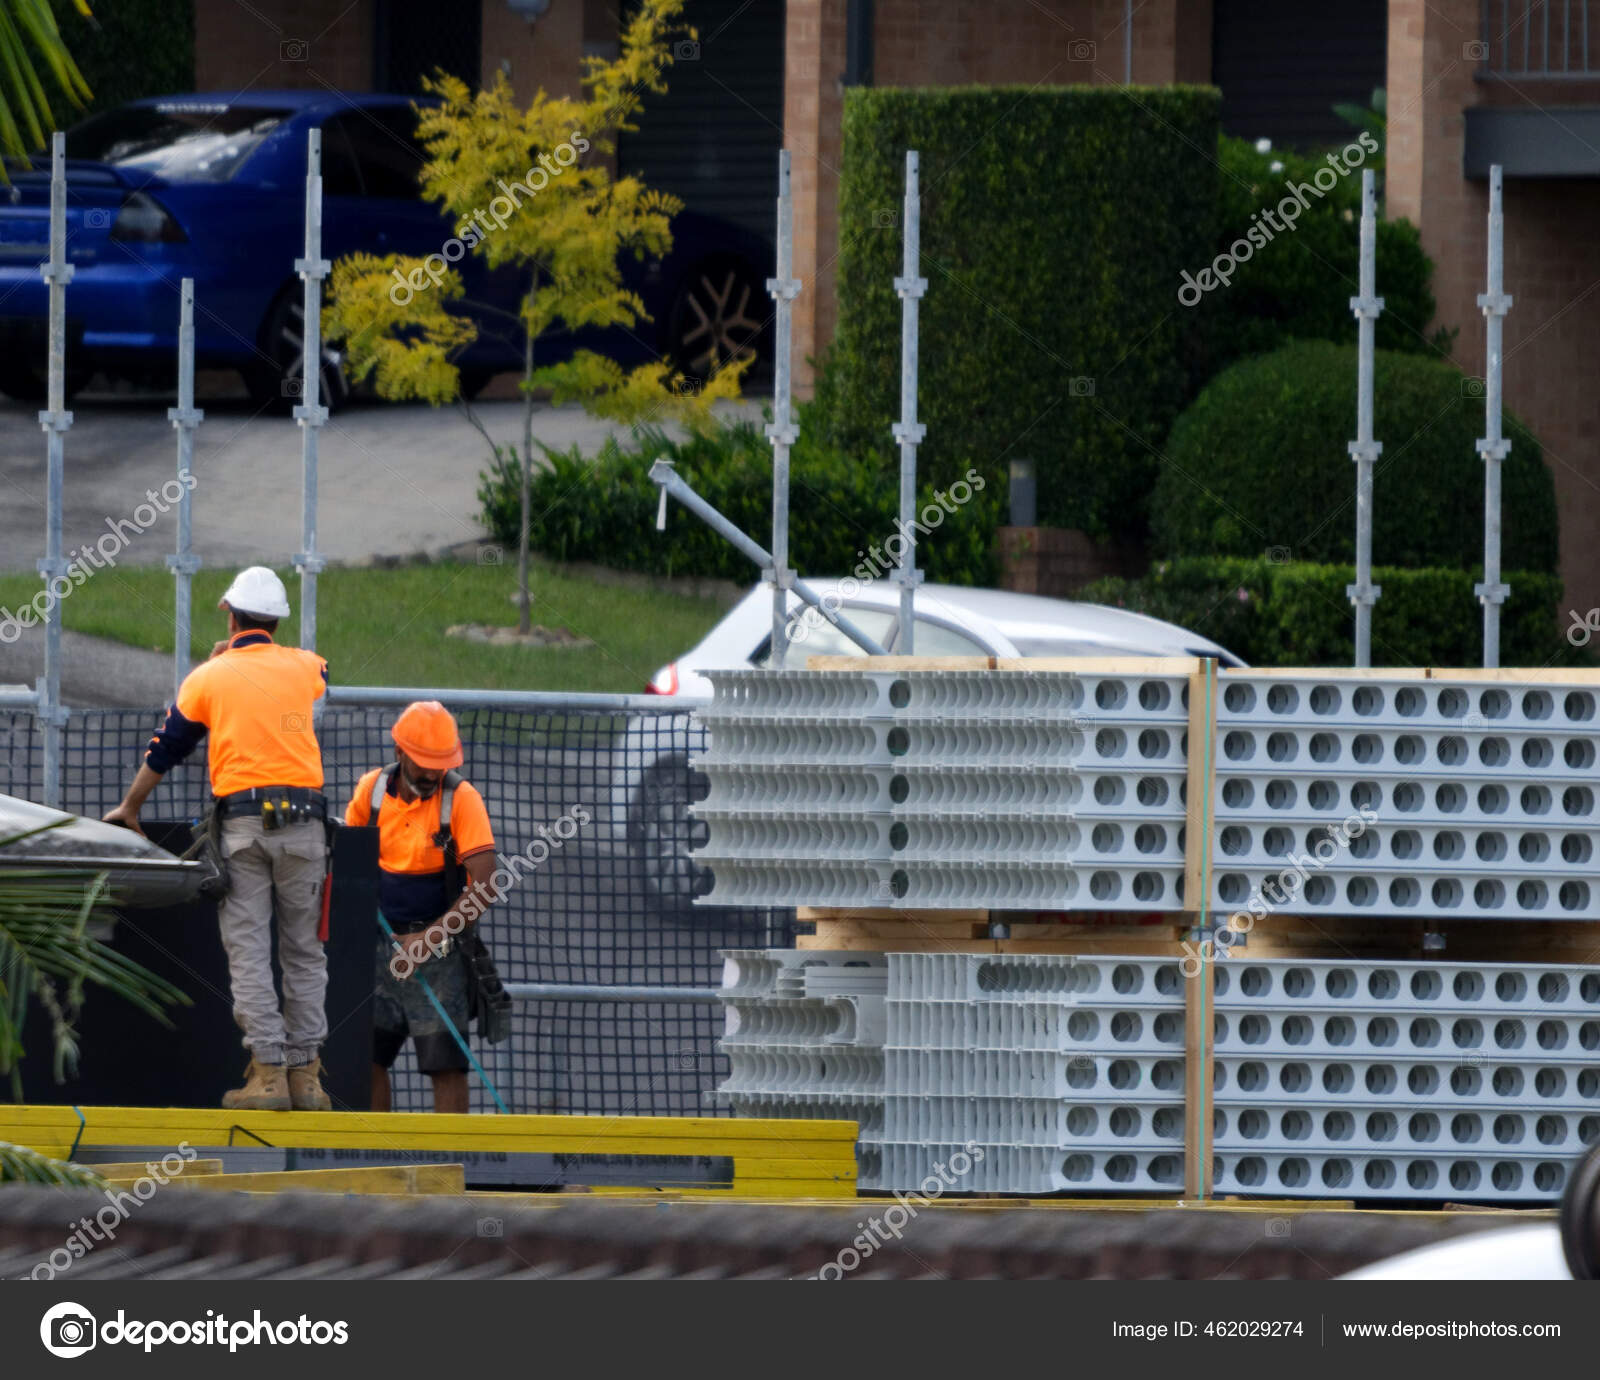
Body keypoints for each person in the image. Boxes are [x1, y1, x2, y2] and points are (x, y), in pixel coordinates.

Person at [104, 566, 333, 1112]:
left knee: (250, 949)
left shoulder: (209, 677)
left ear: (230, 616)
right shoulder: (304, 666)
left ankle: (269, 1076)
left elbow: (168, 746)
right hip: (305, 826)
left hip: (244, 826)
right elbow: (322, 677)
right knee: (304, 953)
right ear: (276, 621)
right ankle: (307, 1078)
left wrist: (131, 806)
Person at [344, 701, 498, 1114]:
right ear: (399, 753)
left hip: (441, 955)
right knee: (366, 1059)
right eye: (423, 763)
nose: (432, 773)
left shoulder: (463, 800)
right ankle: (377, 1162)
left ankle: (452, 1164)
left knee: (445, 1065)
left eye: (440, 764)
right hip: (378, 950)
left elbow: (483, 887)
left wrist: (429, 940)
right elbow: (346, 865)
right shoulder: (370, 793)